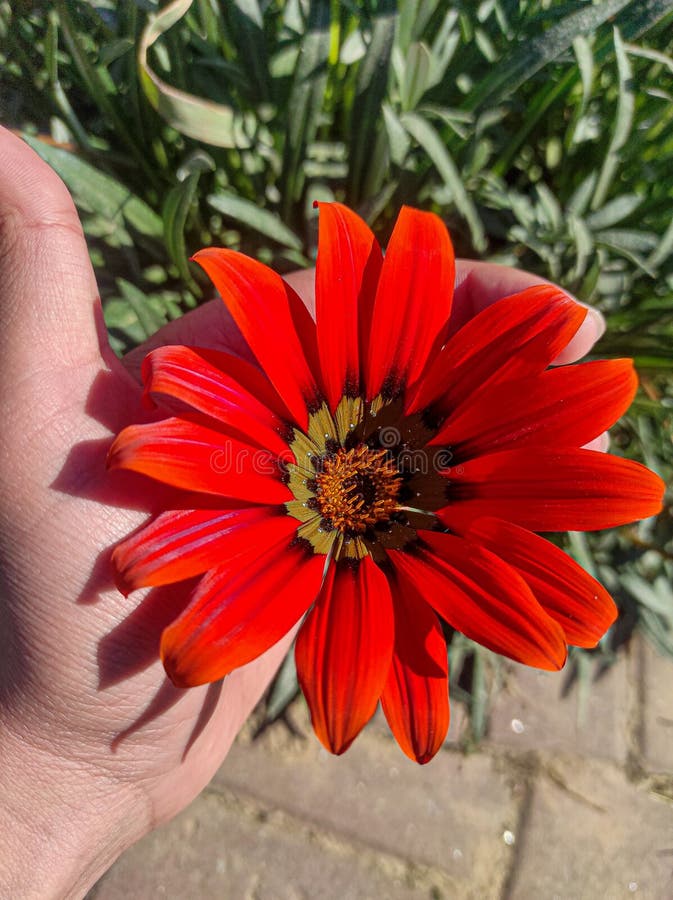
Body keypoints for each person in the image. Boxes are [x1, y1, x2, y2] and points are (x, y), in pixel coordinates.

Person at [0, 126, 607, 898]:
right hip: (289, 463)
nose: (363, 491)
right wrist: (51, 771)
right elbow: (188, 400)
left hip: (321, 466)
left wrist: (52, 781)